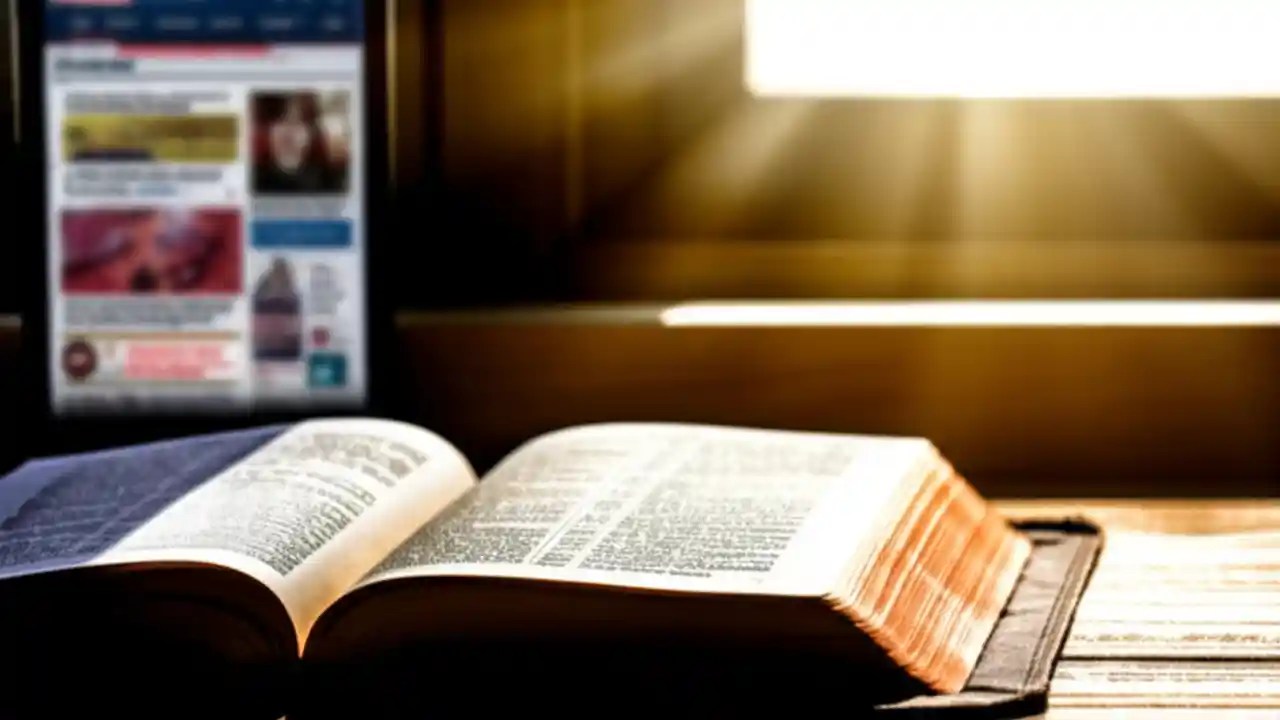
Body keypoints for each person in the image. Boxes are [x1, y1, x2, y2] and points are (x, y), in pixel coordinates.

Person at [254, 94, 347, 194]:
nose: (288, 133)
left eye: (298, 122)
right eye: (280, 120)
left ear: (312, 135)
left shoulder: (333, 187)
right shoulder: (251, 179)